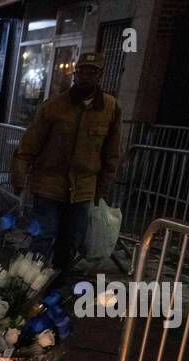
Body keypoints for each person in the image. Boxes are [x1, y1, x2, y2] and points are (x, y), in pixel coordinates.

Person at [11, 51, 122, 272]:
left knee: (70, 242)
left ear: (100, 75)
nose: (86, 76)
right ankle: (30, 286)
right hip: (48, 186)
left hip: (83, 190)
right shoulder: (54, 106)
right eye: (81, 71)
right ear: (75, 74)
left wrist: (102, 189)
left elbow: (111, 153)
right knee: (42, 237)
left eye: (92, 72)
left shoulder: (110, 108)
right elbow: (28, 145)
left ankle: (57, 285)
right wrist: (19, 179)